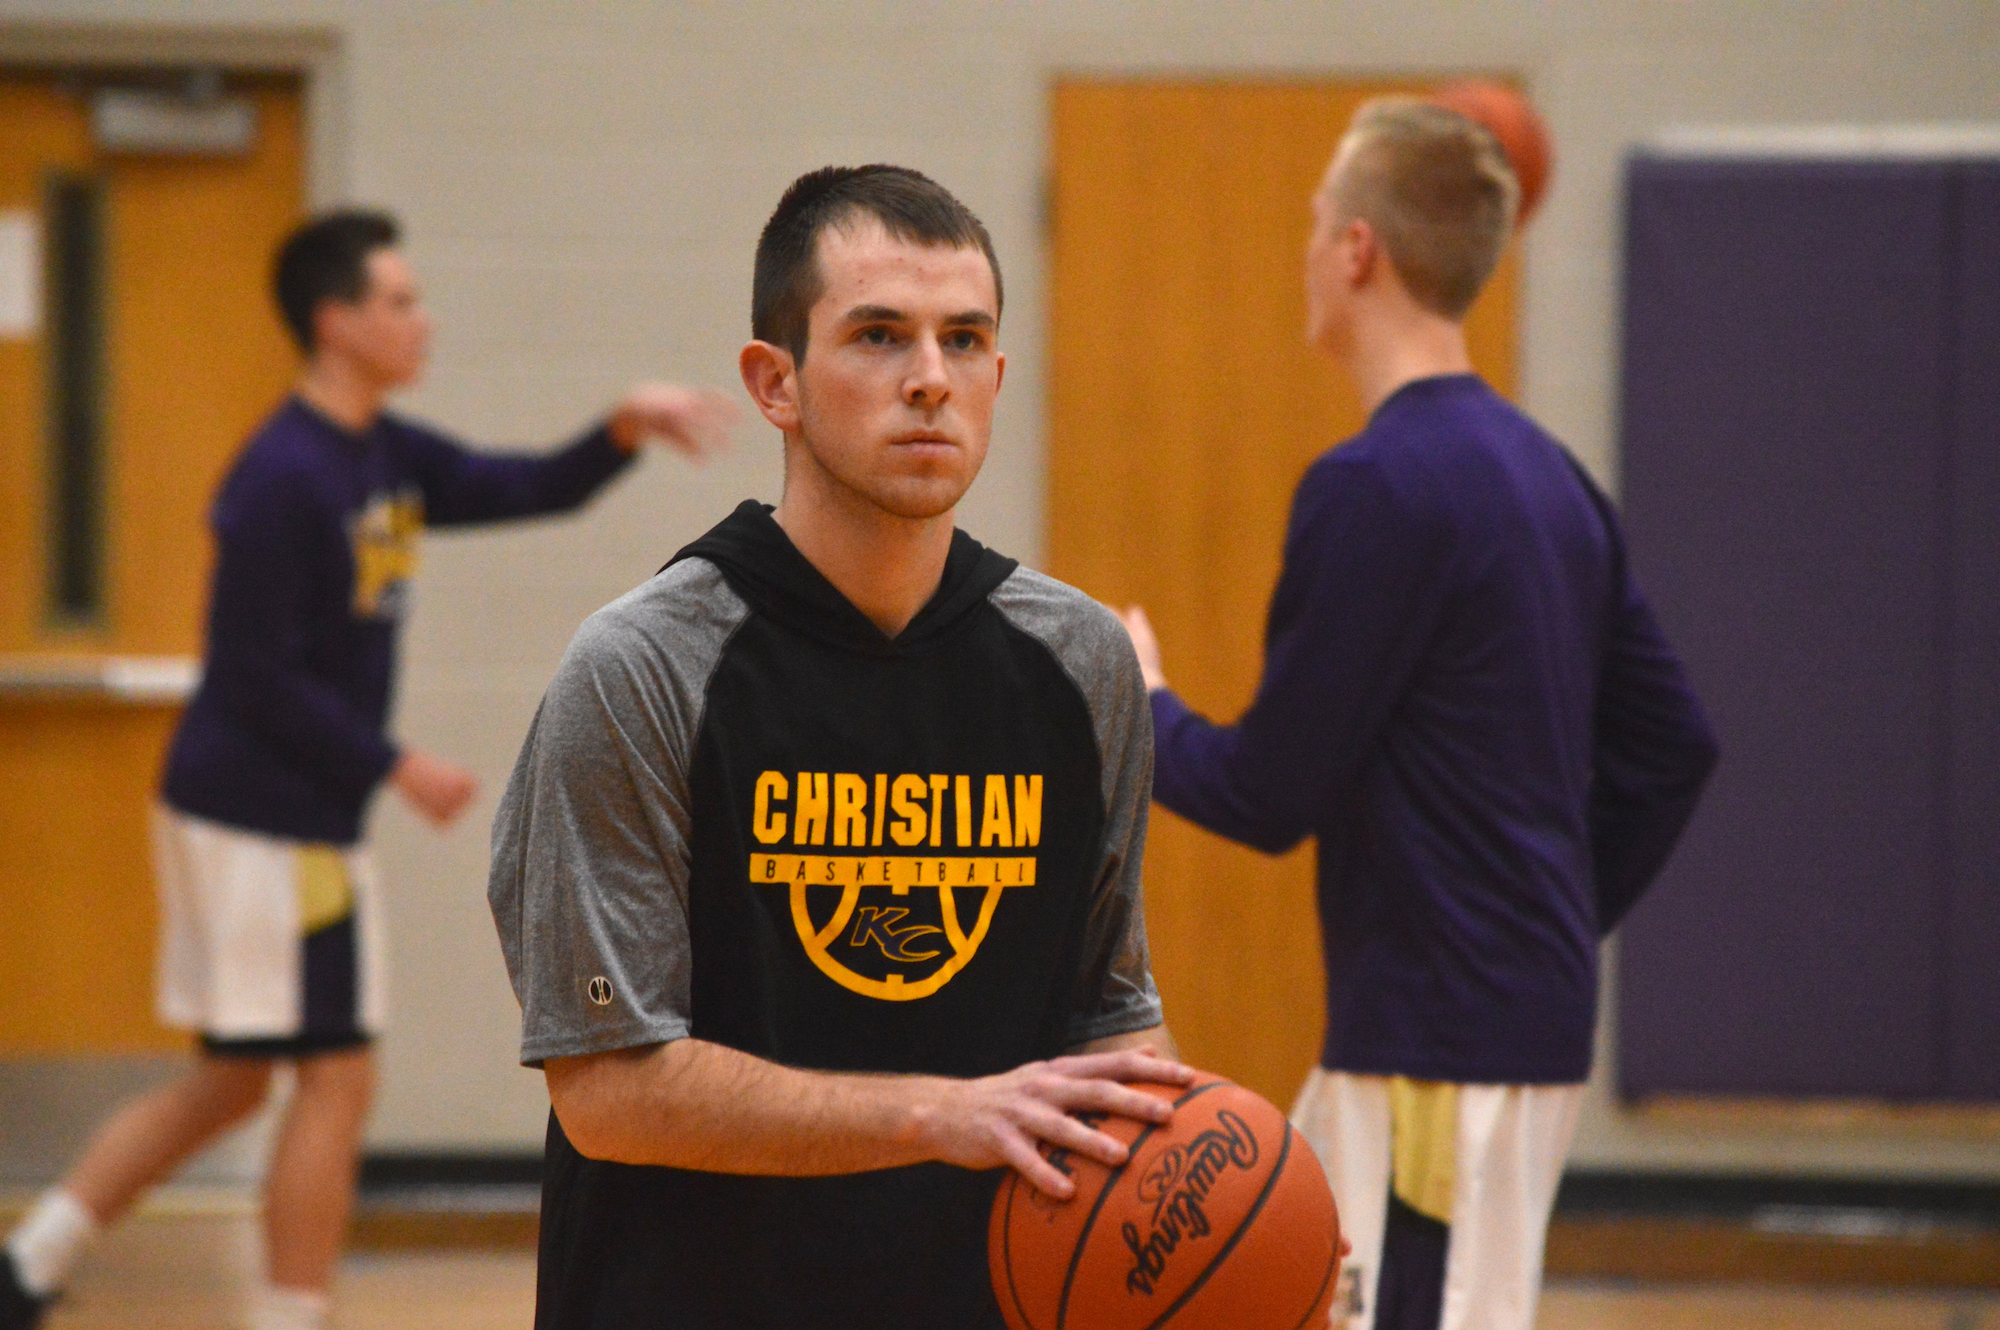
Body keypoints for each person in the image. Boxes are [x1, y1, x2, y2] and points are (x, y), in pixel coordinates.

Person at [0, 209, 735, 1330]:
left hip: (284, 821)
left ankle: (32, 1259)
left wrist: (621, 430)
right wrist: (395, 762)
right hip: (263, 821)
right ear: (337, 322)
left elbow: (518, 485)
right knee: (334, 1077)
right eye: (399, 300)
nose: (421, 318)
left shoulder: (382, 453)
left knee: (243, 1075)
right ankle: (291, 1316)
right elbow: (250, 674)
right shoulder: (281, 476)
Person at [486, 164, 1190, 1330]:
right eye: (878, 335)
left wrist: (1197, 1220)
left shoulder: (1079, 661)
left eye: (964, 340)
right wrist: (934, 1115)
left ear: (997, 376)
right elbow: (610, 1088)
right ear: (775, 383)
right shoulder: (641, 669)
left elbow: (1110, 1014)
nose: (929, 378)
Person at [1117, 100, 1719, 1330]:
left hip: (1439, 1050)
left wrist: (1139, 706)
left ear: (1353, 250)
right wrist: (1543, 915)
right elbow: (1673, 748)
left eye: (1308, 225)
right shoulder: (1554, 479)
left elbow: (1264, 793)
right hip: (1476, 1021)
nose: (1302, 251)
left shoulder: (1373, 485)